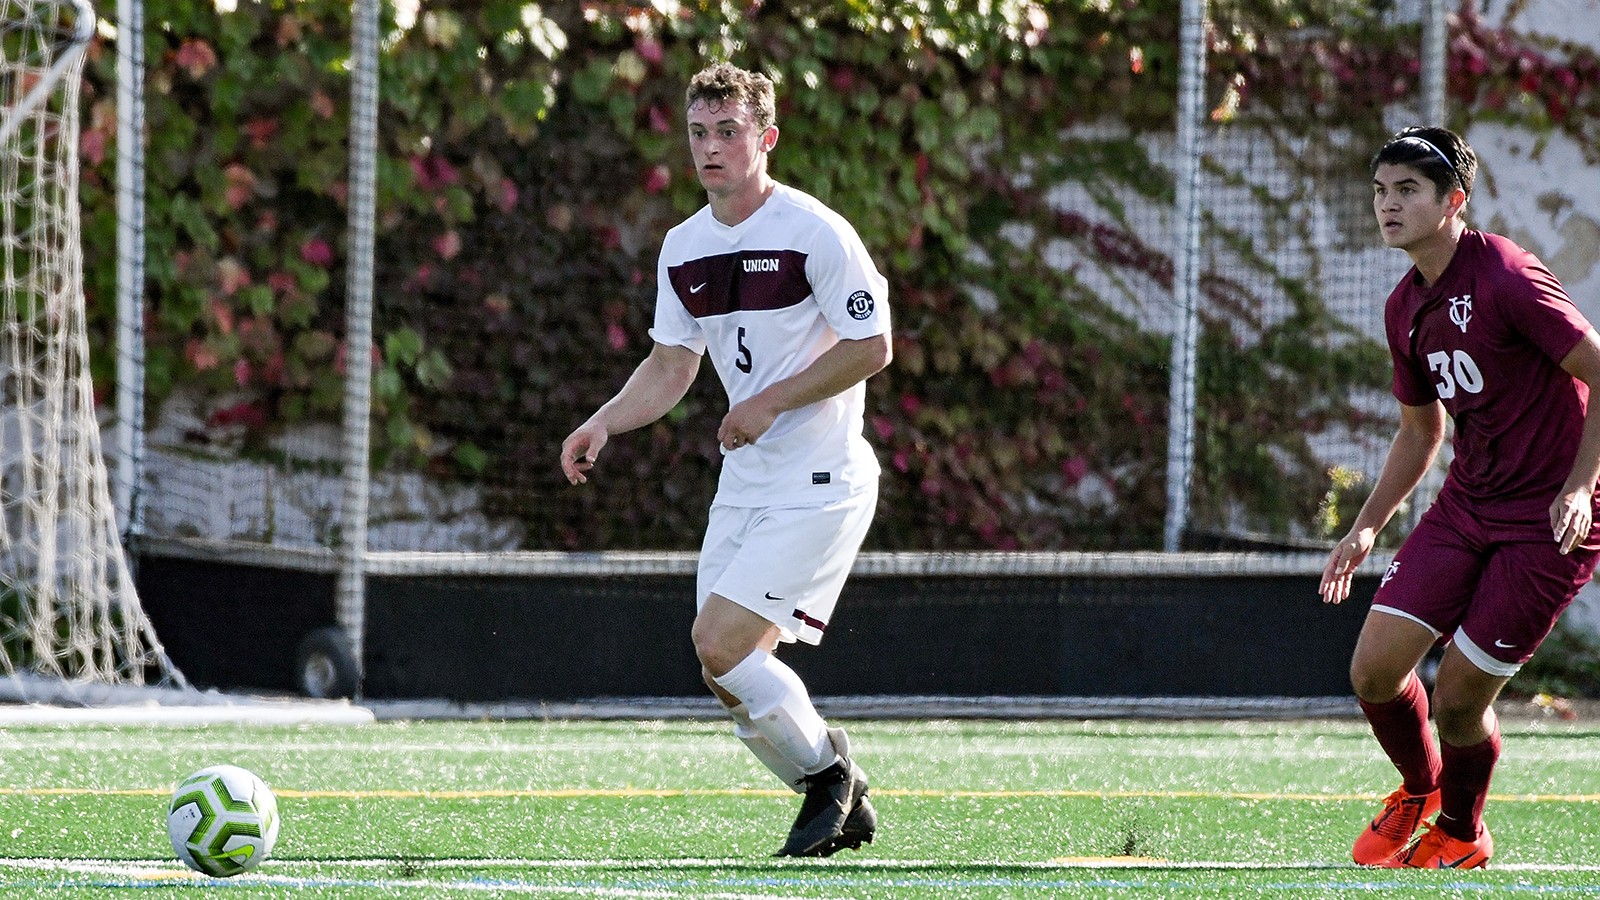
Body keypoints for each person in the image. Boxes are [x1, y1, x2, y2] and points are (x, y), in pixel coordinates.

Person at [559, 62, 892, 858]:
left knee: (720, 644)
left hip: (822, 479)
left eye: (729, 132)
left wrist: (772, 401)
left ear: (765, 139)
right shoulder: (684, 246)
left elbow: (873, 345)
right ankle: (835, 784)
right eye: (699, 133)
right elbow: (673, 366)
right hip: (745, 484)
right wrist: (605, 421)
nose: (711, 148)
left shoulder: (815, 230)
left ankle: (828, 780)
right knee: (722, 668)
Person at [1320, 126, 1600, 869]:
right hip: (1468, 504)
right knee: (1374, 671)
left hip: (1550, 520)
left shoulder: (1506, 274)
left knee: (1459, 699)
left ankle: (1464, 829)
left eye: (1408, 190)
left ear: (1455, 202)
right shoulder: (1402, 306)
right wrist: (1366, 527)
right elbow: (1420, 431)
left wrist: (1580, 486)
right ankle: (1419, 788)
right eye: (1381, 190)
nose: (1388, 205)